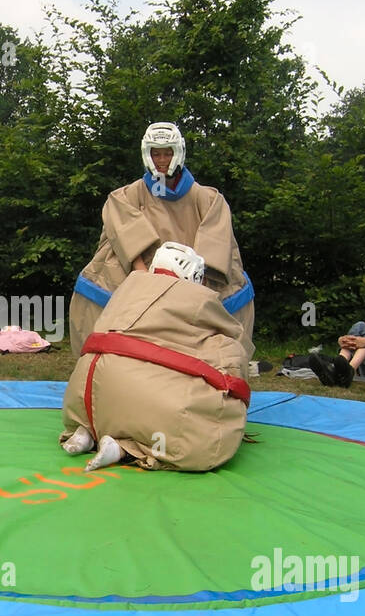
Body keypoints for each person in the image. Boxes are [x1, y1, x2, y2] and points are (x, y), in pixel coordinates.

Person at [69, 121, 254, 361]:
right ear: (148, 154)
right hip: (141, 275)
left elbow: (216, 245)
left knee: (221, 300)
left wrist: (193, 288)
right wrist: (144, 279)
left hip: (196, 279)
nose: (162, 160)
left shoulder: (208, 199)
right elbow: (126, 236)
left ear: (179, 154)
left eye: (168, 153)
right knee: (104, 287)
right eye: (156, 153)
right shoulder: (125, 197)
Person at [60, 242, 251, 472]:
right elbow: (233, 333)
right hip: (146, 396)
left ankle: (88, 430)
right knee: (226, 355)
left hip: (84, 393)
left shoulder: (128, 286)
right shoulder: (198, 297)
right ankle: (128, 448)